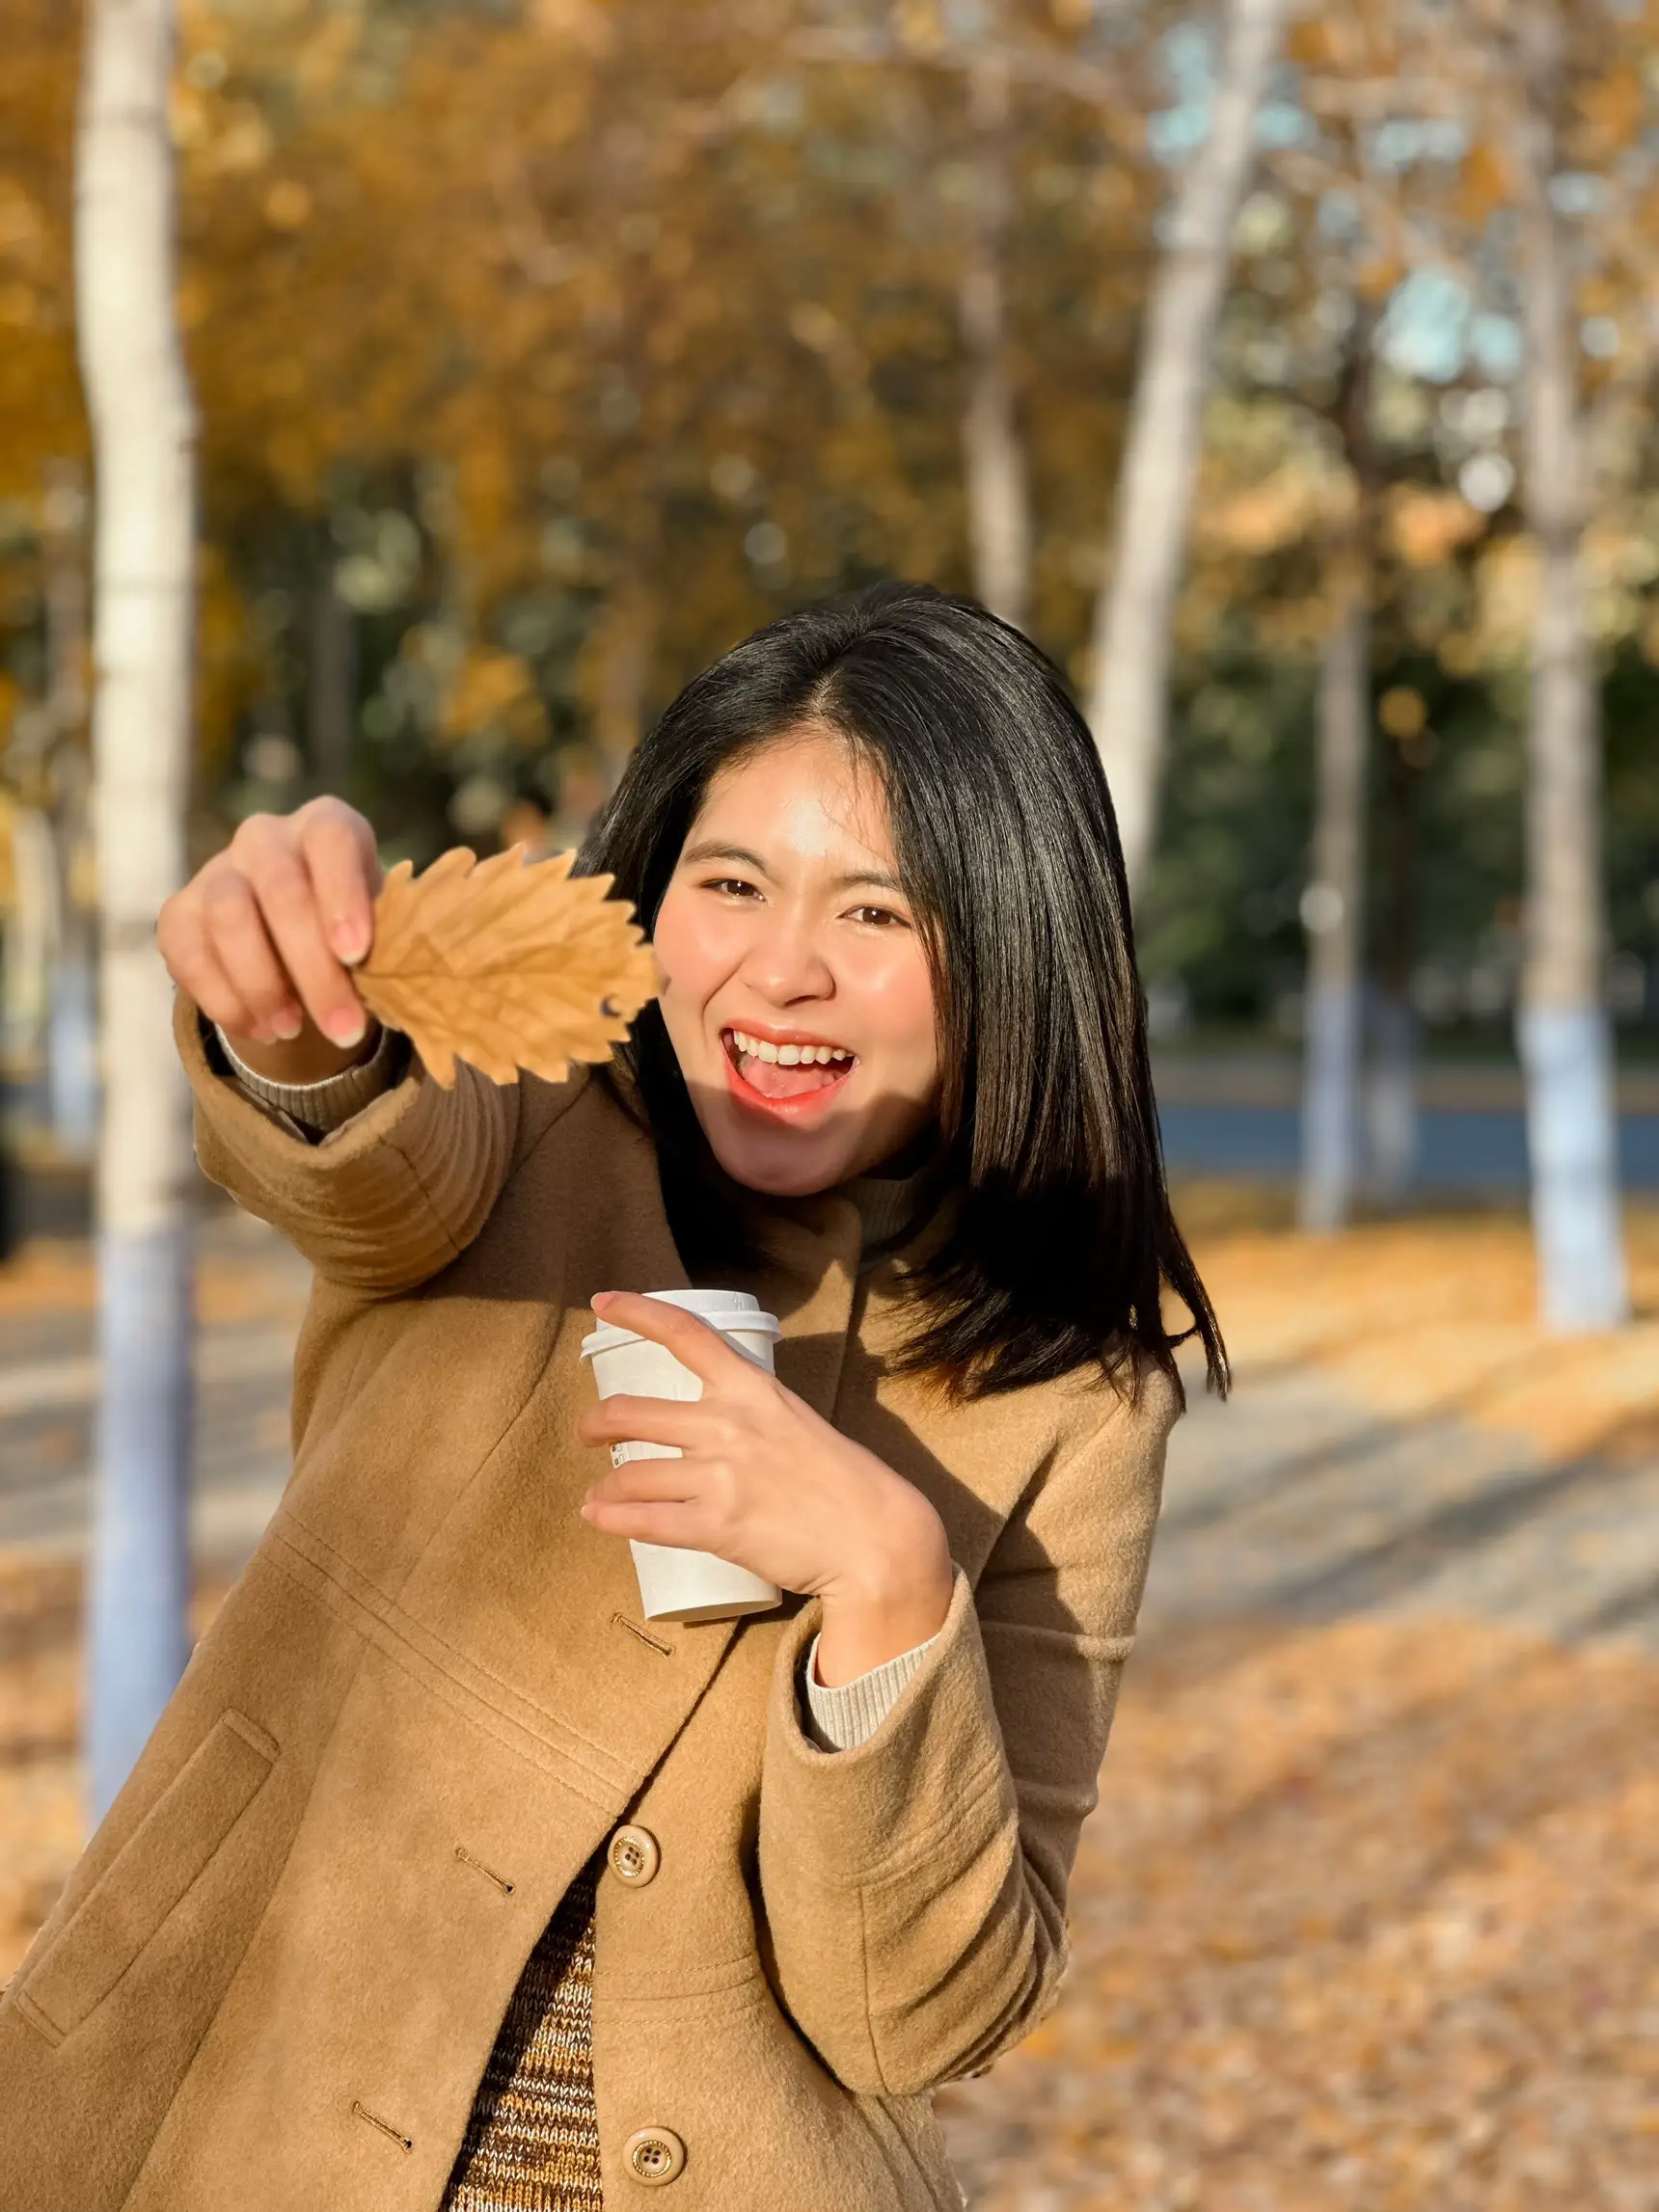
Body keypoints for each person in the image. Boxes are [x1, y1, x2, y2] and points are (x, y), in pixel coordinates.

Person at [0, 581, 1225, 2211]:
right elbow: (368, 1159)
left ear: (1010, 943)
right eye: (732, 883)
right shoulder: (531, 1108)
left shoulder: (1071, 1391)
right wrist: (297, 1022)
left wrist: (889, 1588)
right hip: (225, 2112)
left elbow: (919, 2017)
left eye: (878, 913)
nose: (783, 970)